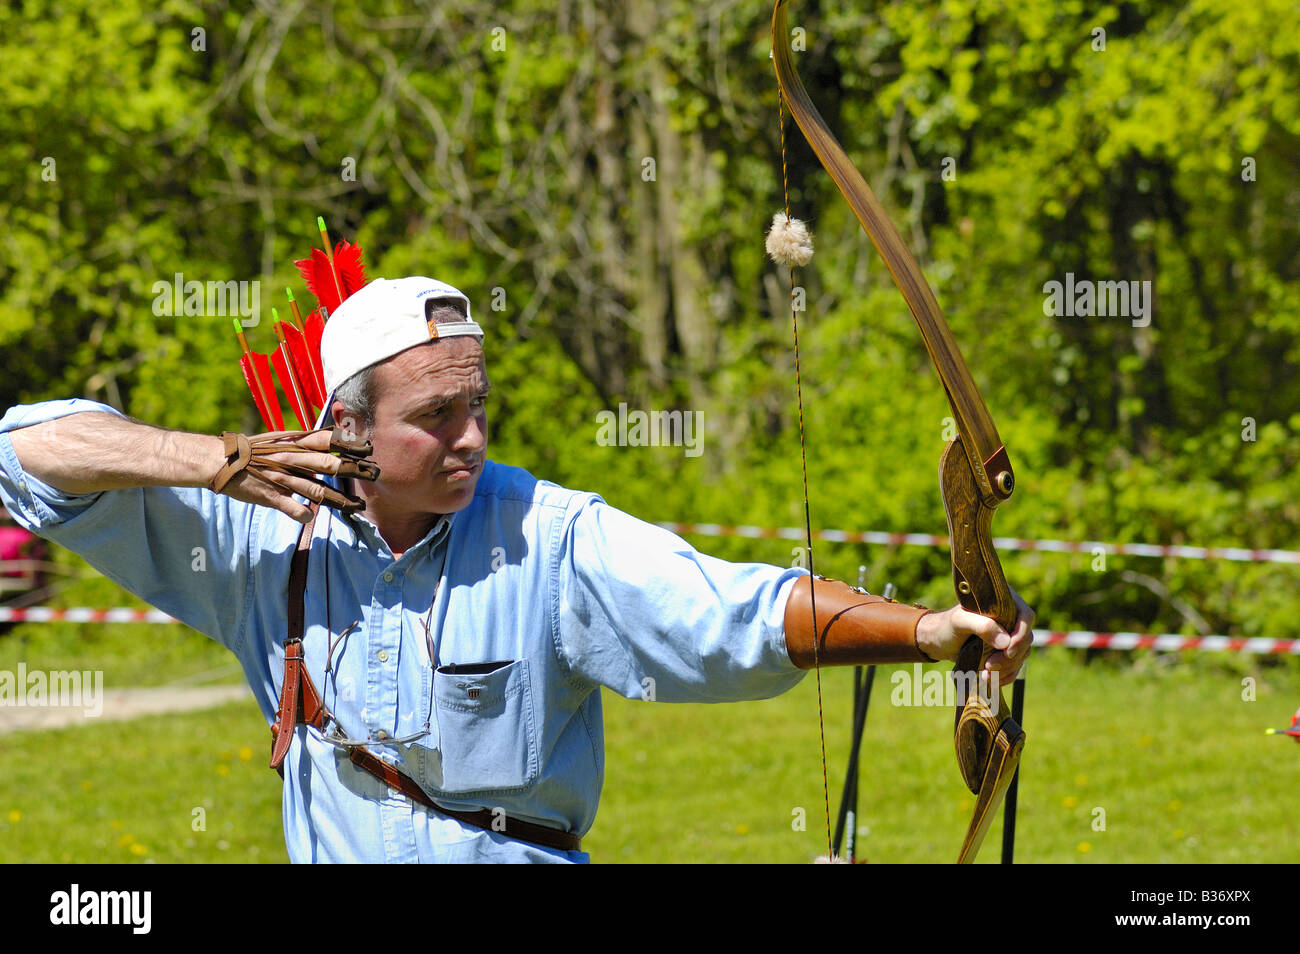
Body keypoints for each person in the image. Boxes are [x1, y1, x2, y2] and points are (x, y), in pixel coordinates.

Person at [0, 276, 1033, 863]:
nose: (471, 438)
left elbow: (726, 610)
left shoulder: (547, 532)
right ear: (345, 426)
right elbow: (25, 449)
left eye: (478, 406)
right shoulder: (266, 528)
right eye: (436, 416)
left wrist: (930, 630)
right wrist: (214, 459)